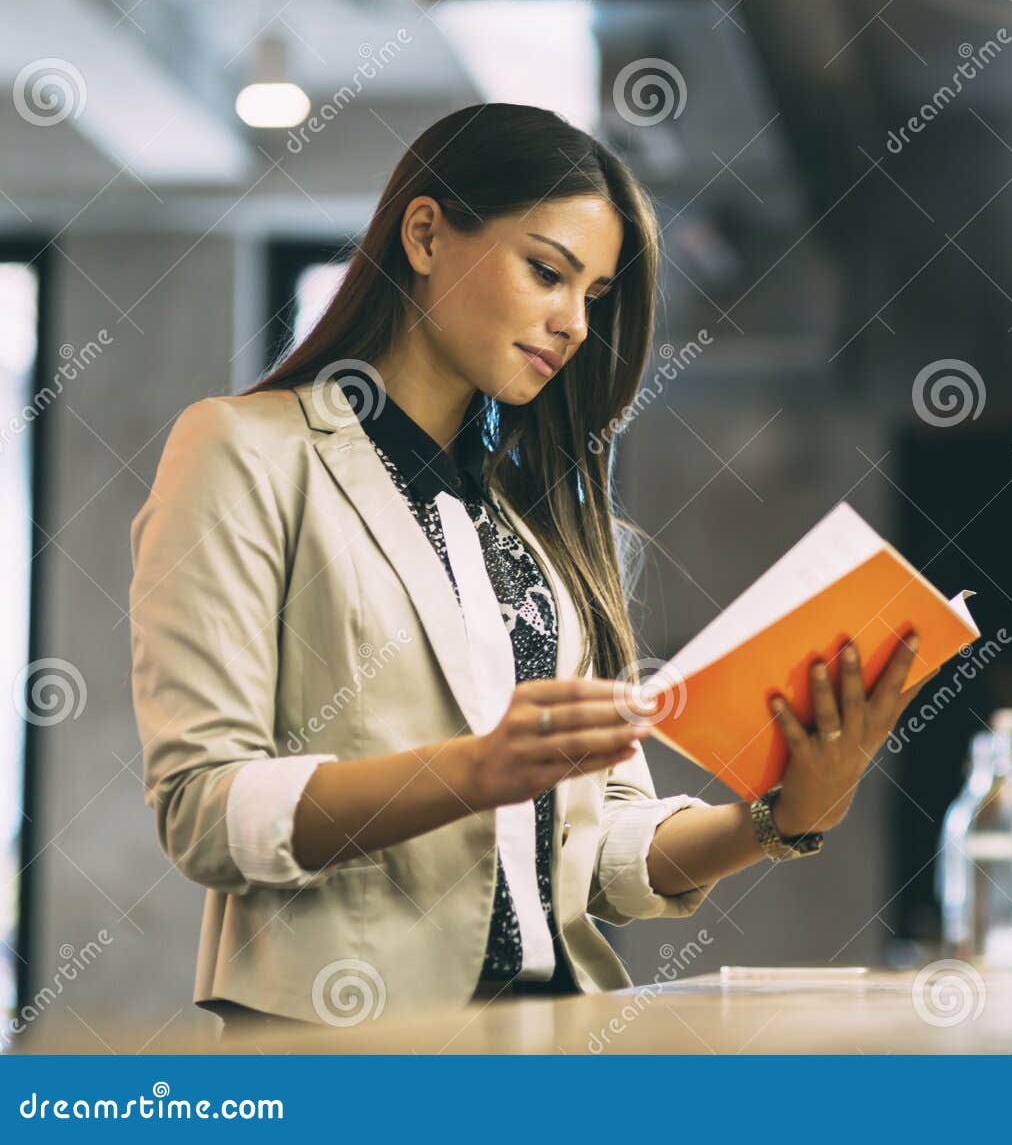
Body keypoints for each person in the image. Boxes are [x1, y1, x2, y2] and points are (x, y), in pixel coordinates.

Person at [128, 103, 936, 1036]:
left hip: (552, 1039)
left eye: (592, 295)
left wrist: (779, 816)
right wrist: (476, 769)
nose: (576, 324)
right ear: (425, 234)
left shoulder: (531, 531)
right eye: (547, 272)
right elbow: (206, 807)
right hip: (350, 1049)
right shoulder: (246, 451)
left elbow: (604, 846)